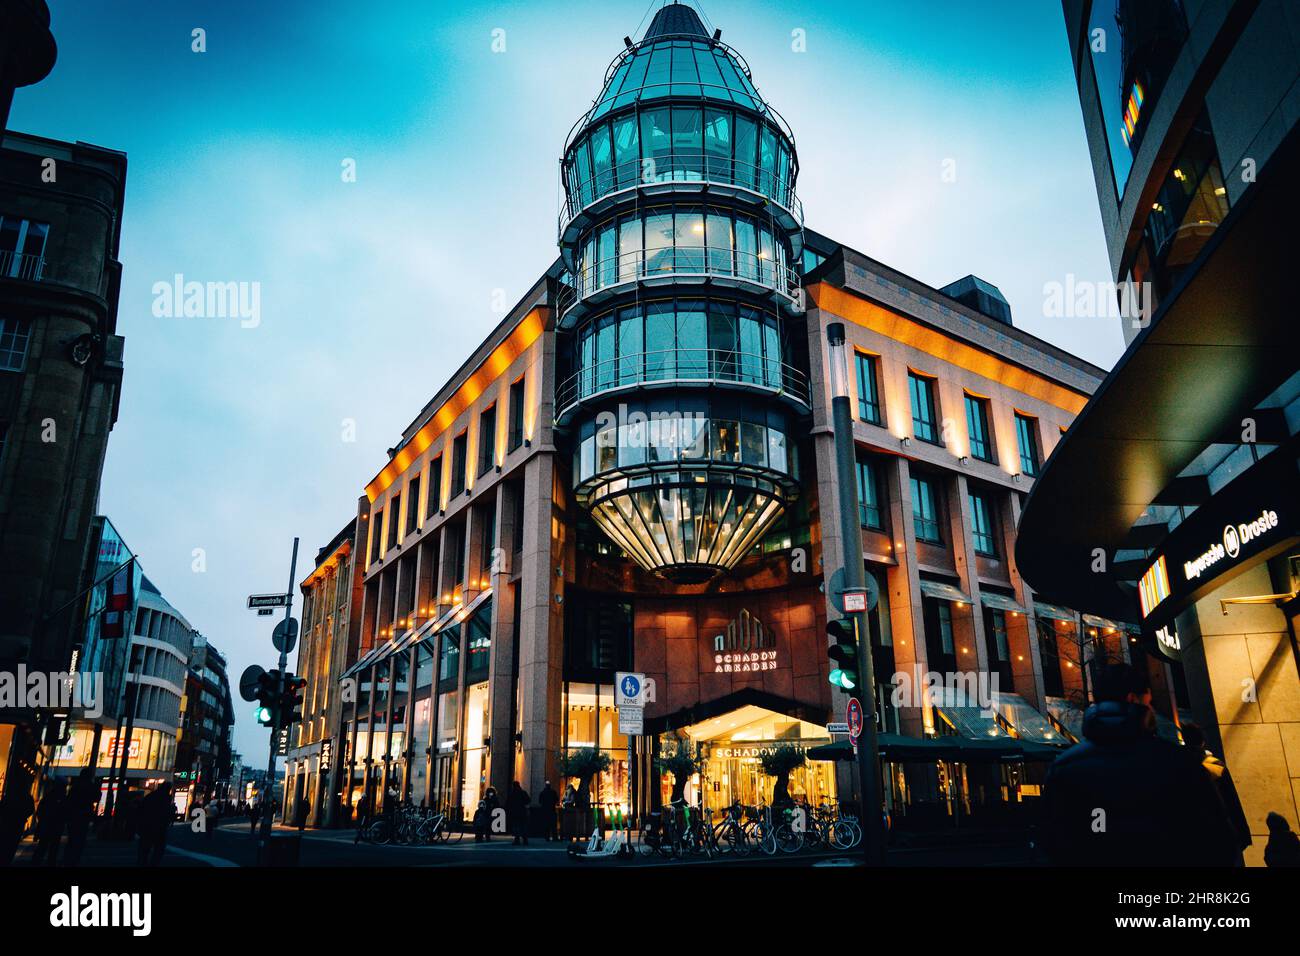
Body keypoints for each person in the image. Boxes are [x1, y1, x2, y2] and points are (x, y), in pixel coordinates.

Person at [1042, 664, 1239, 866]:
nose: (1151, 708)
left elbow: (1055, 842)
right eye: (1149, 701)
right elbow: (1216, 839)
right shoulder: (1176, 762)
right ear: (1132, 698)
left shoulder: (1065, 767)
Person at [1181, 722, 1251, 862]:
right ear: (1202, 742)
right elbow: (1232, 802)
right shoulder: (1215, 766)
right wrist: (1243, 835)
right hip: (1222, 833)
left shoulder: (1179, 768)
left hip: (1195, 839)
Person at [62, 769, 98, 866]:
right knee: (80, 840)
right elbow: (97, 796)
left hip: (74, 816)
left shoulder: (76, 786)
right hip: (84, 816)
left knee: (72, 840)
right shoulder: (90, 786)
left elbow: (69, 801)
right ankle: (75, 860)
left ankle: (67, 860)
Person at [0, 775, 35, 867]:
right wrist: (23, 816)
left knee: (4, 842)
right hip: (18, 824)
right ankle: (6, 862)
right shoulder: (27, 796)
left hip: (6, 822)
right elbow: (31, 809)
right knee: (12, 845)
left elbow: (2, 806)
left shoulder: (10, 795)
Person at [136, 782, 173, 866]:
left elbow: (141, 810)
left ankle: (142, 863)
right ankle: (153, 864)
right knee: (158, 849)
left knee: (144, 848)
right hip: (159, 827)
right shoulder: (165, 798)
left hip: (147, 825)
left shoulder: (150, 796)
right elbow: (166, 813)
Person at [31, 779, 67, 866]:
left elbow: (40, 810)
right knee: (53, 848)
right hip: (57, 826)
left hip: (46, 825)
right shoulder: (63, 798)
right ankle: (50, 863)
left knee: (43, 845)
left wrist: (41, 820)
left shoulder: (48, 796)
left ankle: (36, 862)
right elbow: (66, 812)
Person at [506, 781, 531, 846]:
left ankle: (517, 839)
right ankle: (525, 840)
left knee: (516, 826)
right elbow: (528, 800)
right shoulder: (523, 793)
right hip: (522, 812)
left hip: (515, 812)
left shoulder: (512, 794)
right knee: (523, 826)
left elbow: (508, 803)